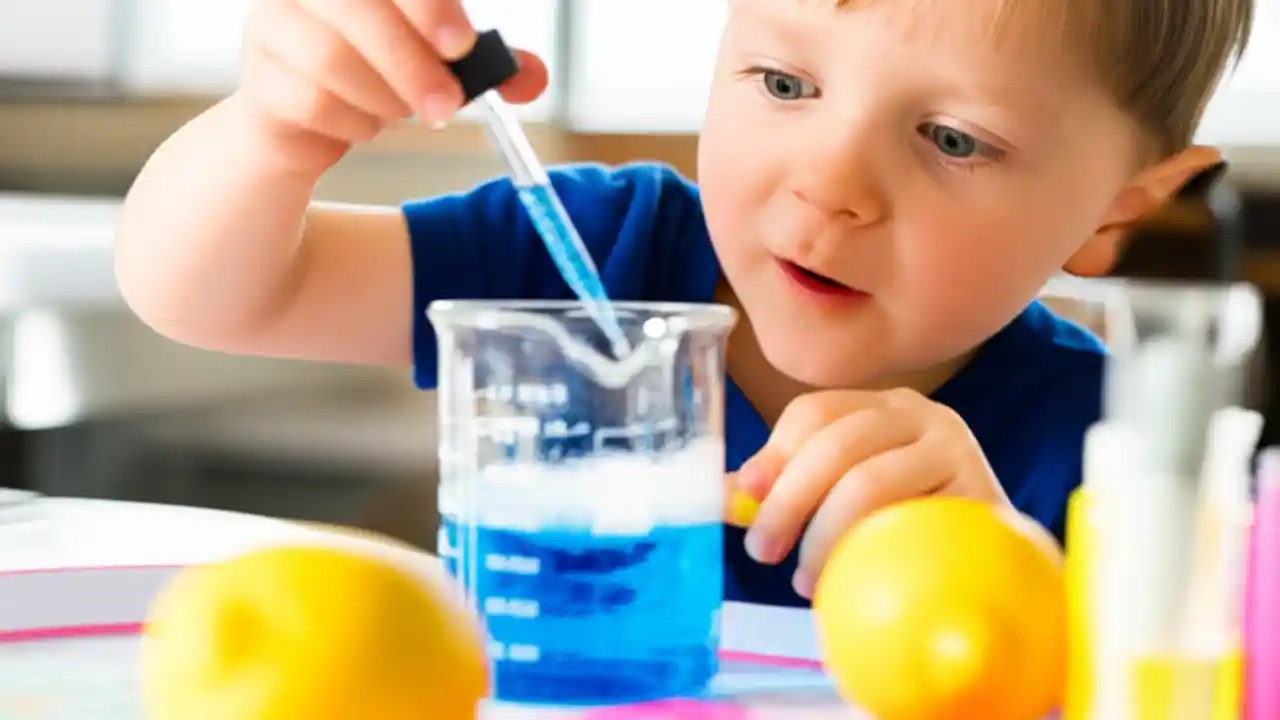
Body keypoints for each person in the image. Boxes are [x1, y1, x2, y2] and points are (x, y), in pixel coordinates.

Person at [115, 0, 1254, 607]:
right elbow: (216, 295)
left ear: (1117, 215)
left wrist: (1003, 573)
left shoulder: (1135, 454)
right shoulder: (591, 251)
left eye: (953, 139)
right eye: (785, 83)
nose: (830, 185)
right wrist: (274, 127)